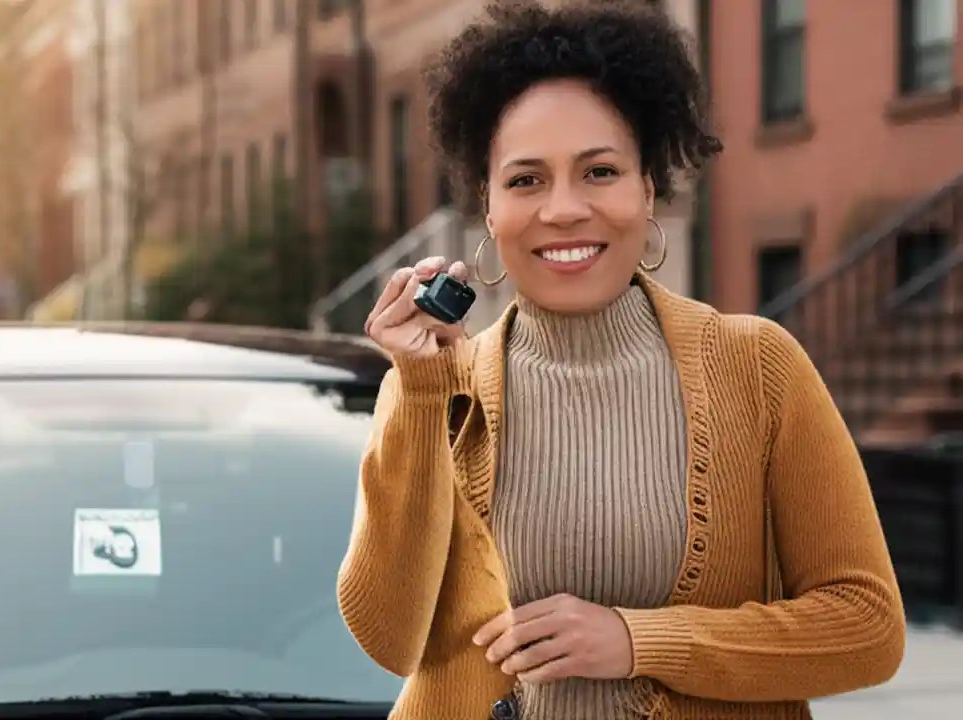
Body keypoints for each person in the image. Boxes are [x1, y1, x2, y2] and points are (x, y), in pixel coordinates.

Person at [336, 2, 905, 718]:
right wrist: (417, 394)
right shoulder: (433, 392)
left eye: (599, 171)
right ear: (488, 207)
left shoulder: (759, 368)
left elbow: (867, 627)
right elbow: (389, 639)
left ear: (647, 187)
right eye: (526, 180)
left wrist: (639, 641)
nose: (564, 208)